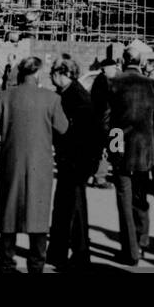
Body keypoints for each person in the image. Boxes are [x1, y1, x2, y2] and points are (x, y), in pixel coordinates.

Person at [0, 56, 68, 273]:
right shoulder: (51, 99)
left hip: (11, 163)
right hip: (40, 165)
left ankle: (6, 263)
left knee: (8, 213)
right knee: (39, 215)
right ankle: (36, 265)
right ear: (37, 74)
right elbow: (63, 128)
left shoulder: (4, 96)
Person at [102, 40, 154, 267]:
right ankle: (142, 241)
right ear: (140, 63)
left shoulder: (114, 83)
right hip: (145, 151)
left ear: (123, 61)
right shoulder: (152, 85)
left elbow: (108, 122)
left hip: (121, 149)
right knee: (141, 198)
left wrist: (112, 150)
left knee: (124, 199)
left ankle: (130, 251)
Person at [48, 55, 98, 270]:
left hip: (76, 161)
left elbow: (80, 133)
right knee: (64, 207)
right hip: (73, 159)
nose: (51, 77)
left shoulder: (75, 97)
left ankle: (79, 254)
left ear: (63, 74)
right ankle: (59, 252)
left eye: (53, 73)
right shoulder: (71, 93)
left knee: (73, 208)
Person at [88, 54, 118, 188]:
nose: (115, 71)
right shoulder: (103, 82)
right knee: (106, 150)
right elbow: (106, 105)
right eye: (113, 68)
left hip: (102, 122)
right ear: (106, 69)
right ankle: (100, 178)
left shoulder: (100, 80)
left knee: (104, 150)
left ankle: (98, 176)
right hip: (106, 122)